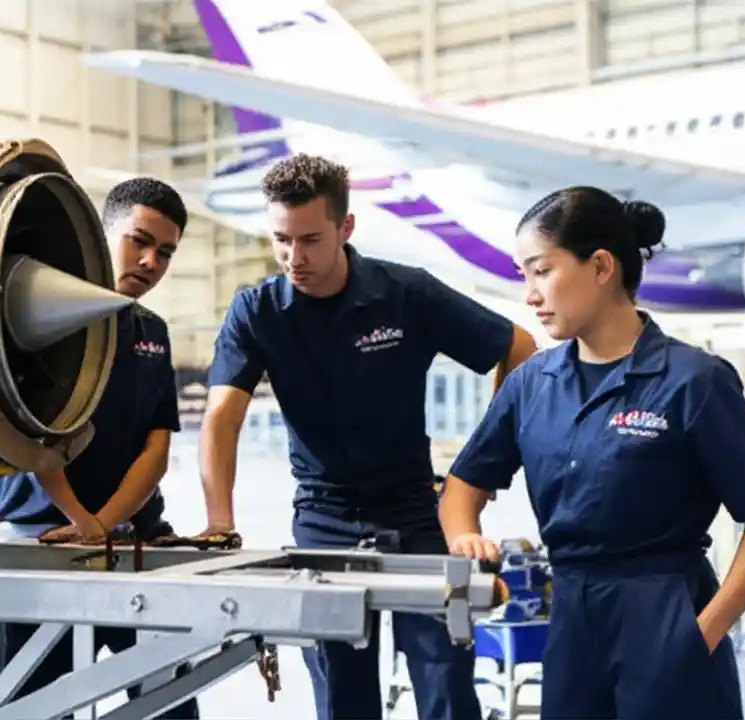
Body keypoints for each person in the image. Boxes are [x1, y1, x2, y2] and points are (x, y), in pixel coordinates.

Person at [198, 153, 538, 720]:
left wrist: (479, 467)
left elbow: (518, 348)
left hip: (414, 512)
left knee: (446, 687)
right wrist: (219, 522)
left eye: (309, 239)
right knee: (341, 698)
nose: (293, 257)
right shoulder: (258, 312)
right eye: (281, 239)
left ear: (345, 227)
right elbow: (221, 418)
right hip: (322, 518)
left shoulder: (406, 294)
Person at [439, 186, 745, 719]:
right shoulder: (532, 383)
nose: (530, 295)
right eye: (523, 276)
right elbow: (463, 485)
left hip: (668, 610)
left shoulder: (693, 382)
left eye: (541, 271)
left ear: (601, 265)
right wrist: (463, 534)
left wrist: (703, 633)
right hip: (572, 622)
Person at [0, 177, 199, 718]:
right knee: (32, 707)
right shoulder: (37, 317)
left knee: (169, 706)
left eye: (166, 252)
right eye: (139, 240)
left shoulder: (151, 330)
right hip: (47, 541)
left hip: (129, 543)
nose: (151, 261)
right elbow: (31, 435)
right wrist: (79, 519)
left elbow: (157, 447)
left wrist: (101, 524)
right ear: (101, 232)